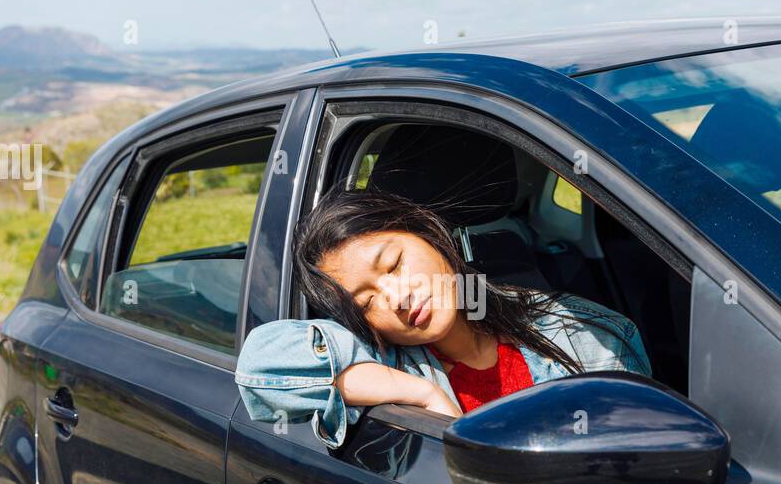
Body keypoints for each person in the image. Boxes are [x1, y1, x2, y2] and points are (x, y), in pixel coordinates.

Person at [235, 188, 653, 447]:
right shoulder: (385, 361)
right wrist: (421, 395)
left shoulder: (580, 333)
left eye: (394, 264)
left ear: (429, 234)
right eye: (365, 303)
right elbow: (260, 365)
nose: (396, 298)